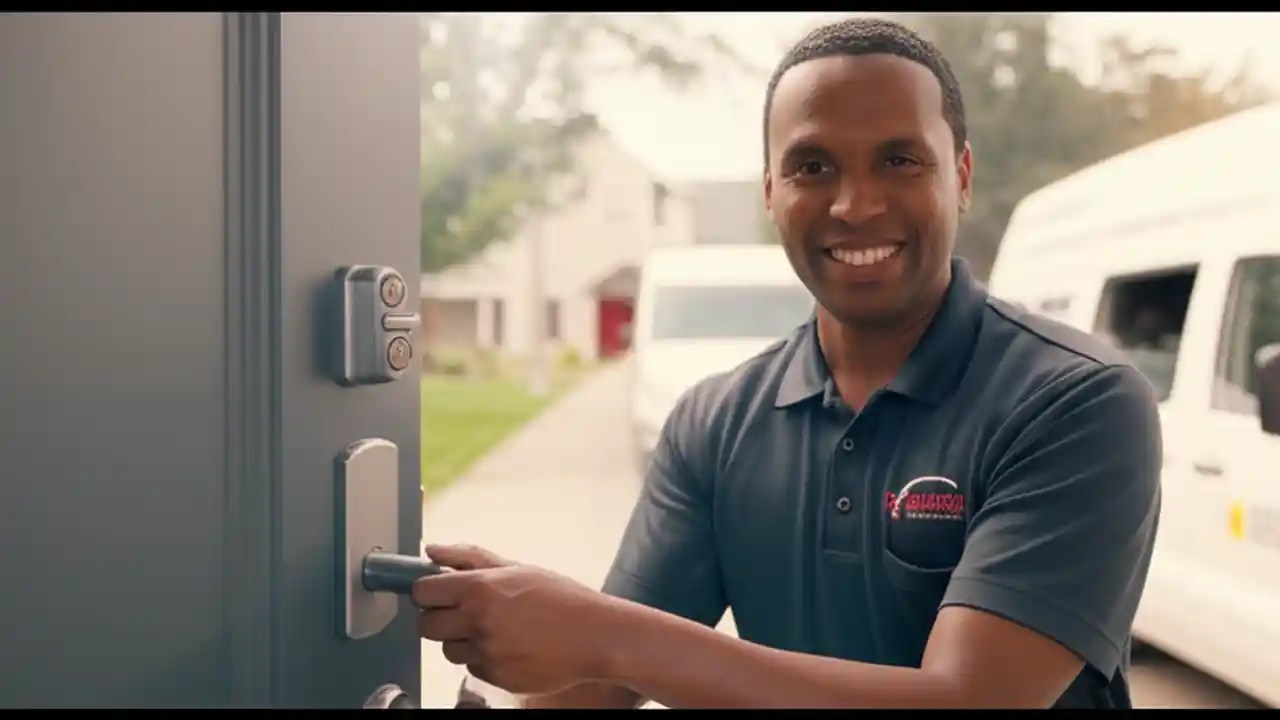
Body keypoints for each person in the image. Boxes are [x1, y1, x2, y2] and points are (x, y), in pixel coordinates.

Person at [412, 17, 1162, 709]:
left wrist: (600, 633)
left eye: (900, 160)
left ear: (960, 177)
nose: (855, 204)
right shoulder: (715, 422)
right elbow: (600, 687)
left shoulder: (1076, 403)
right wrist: (506, 622)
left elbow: (970, 701)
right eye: (813, 166)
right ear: (770, 191)